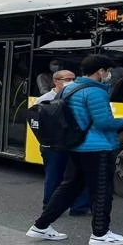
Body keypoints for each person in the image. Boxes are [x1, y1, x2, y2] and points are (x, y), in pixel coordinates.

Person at [26, 54, 123, 245]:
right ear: (100, 71)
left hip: (75, 146)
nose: (108, 75)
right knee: (101, 191)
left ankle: (40, 226)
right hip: (97, 147)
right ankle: (100, 234)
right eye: (107, 71)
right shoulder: (95, 92)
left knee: (69, 187)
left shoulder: (69, 89)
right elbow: (103, 122)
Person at [33, 70, 89, 217]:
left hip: (73, 144)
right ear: (56, 81)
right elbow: (40, 124)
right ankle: (49, 207)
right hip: (53, 146)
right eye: (67, 79)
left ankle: (79, 208)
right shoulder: (44, 99)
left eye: (73, 79)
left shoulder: (77, 97)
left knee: (78, 176)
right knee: (54, 176)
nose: (71, 82)